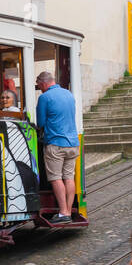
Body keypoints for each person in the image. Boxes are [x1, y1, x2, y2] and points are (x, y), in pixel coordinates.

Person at [35, 70, 80, 222]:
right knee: (69, 177)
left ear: (43, 83)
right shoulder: (68, 94)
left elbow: (40, 123)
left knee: (55, 178)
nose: (39, 88)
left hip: (56, 144)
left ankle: (63, 212)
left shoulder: (44, 97)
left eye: (38, 85)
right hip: (73, 143)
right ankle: (67, 212)